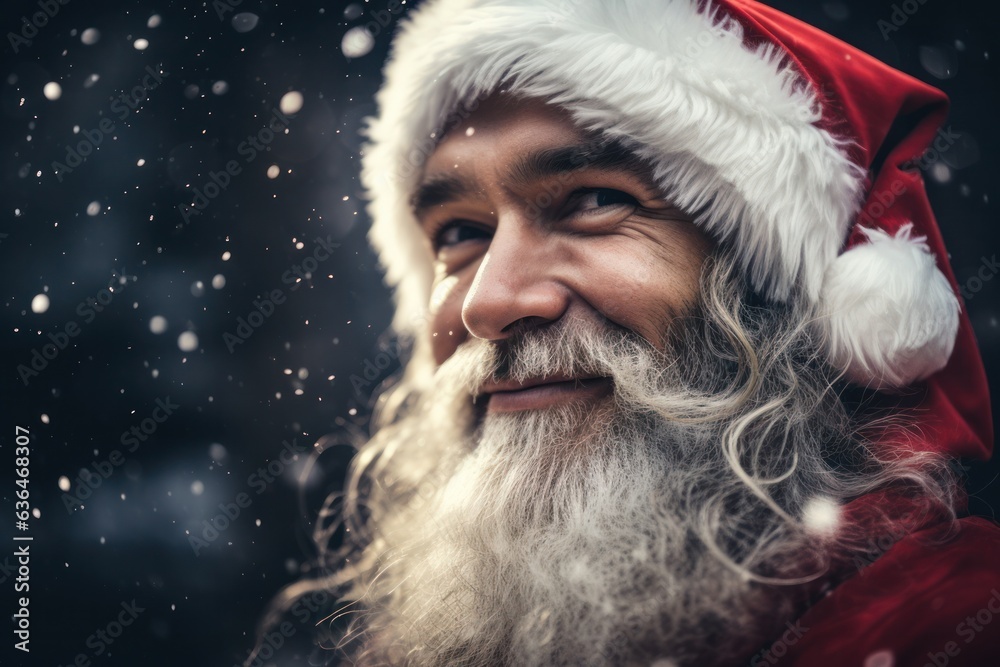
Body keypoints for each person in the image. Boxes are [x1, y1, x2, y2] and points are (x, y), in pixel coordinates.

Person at [273, 1, 1000, 665]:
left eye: (593, 201)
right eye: (460, 232)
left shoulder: (957, 628)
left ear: (786, 297)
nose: (487, 304)